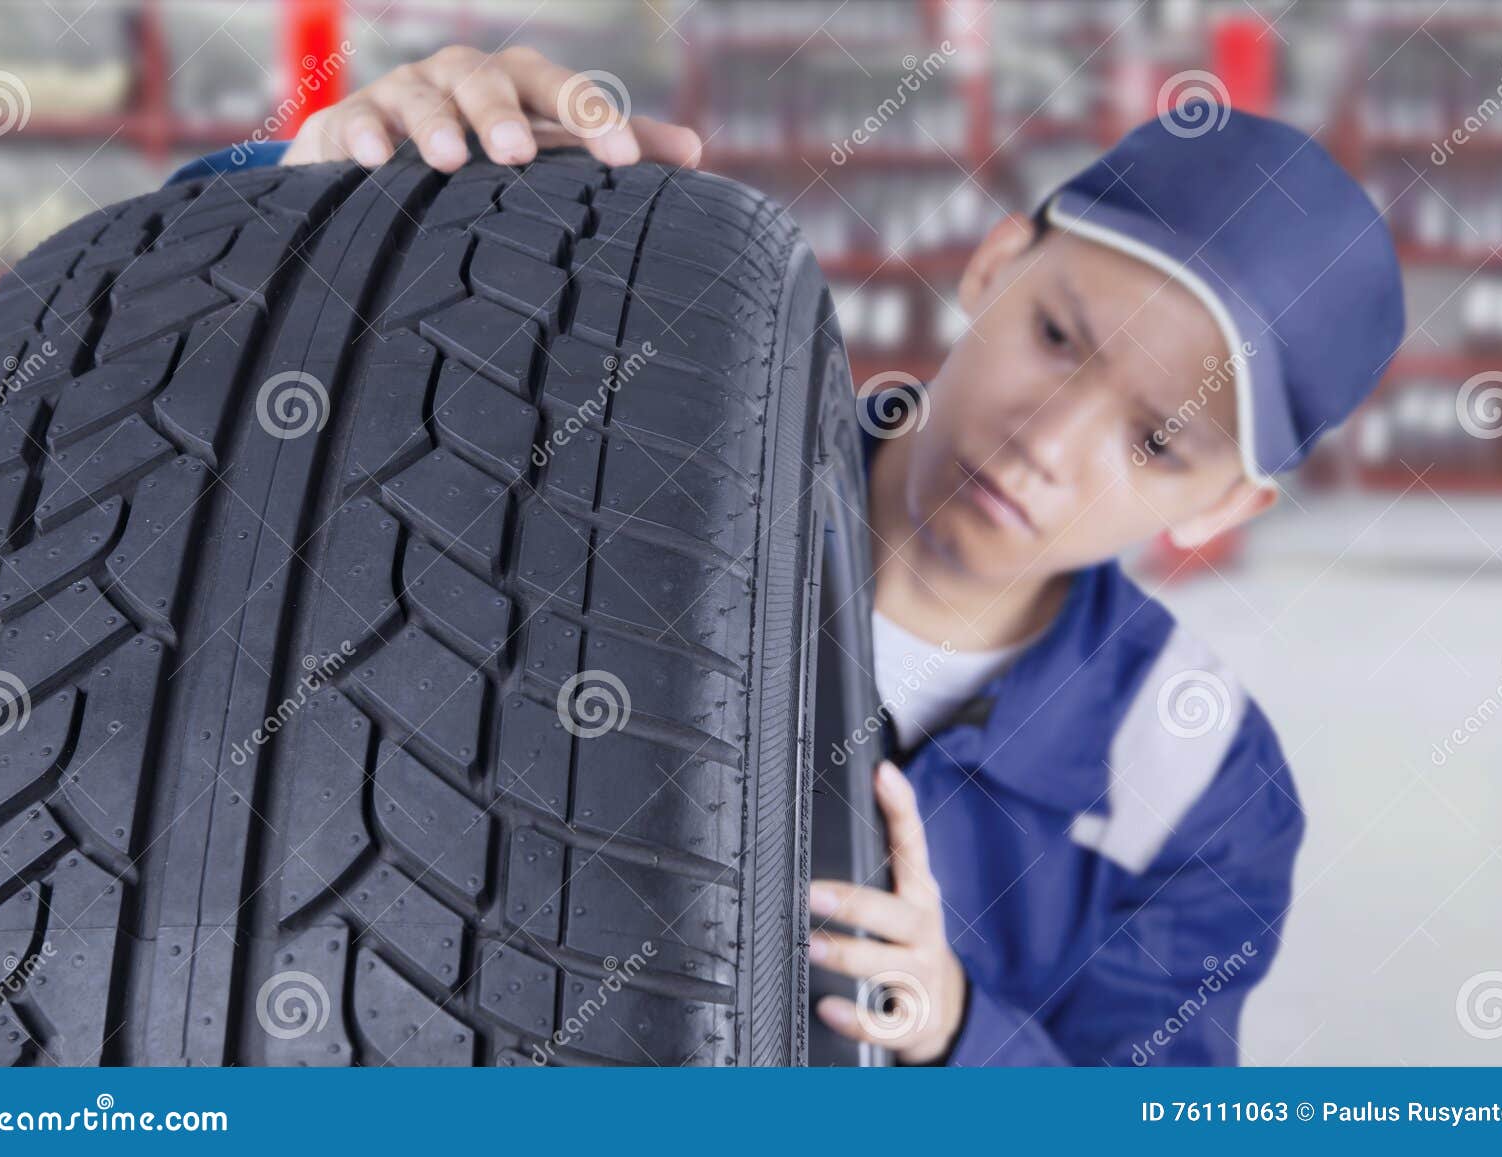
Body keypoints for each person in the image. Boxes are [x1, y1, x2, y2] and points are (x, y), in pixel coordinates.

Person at [182, 44, 1403, 1066]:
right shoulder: (636, 446)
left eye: (1153, 441)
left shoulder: (1197, 784)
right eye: (1055, 336)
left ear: (1224, 509)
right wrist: (345, 197)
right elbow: (215, 469)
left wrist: (959, 1027)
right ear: (990, 264)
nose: (1048, 439)